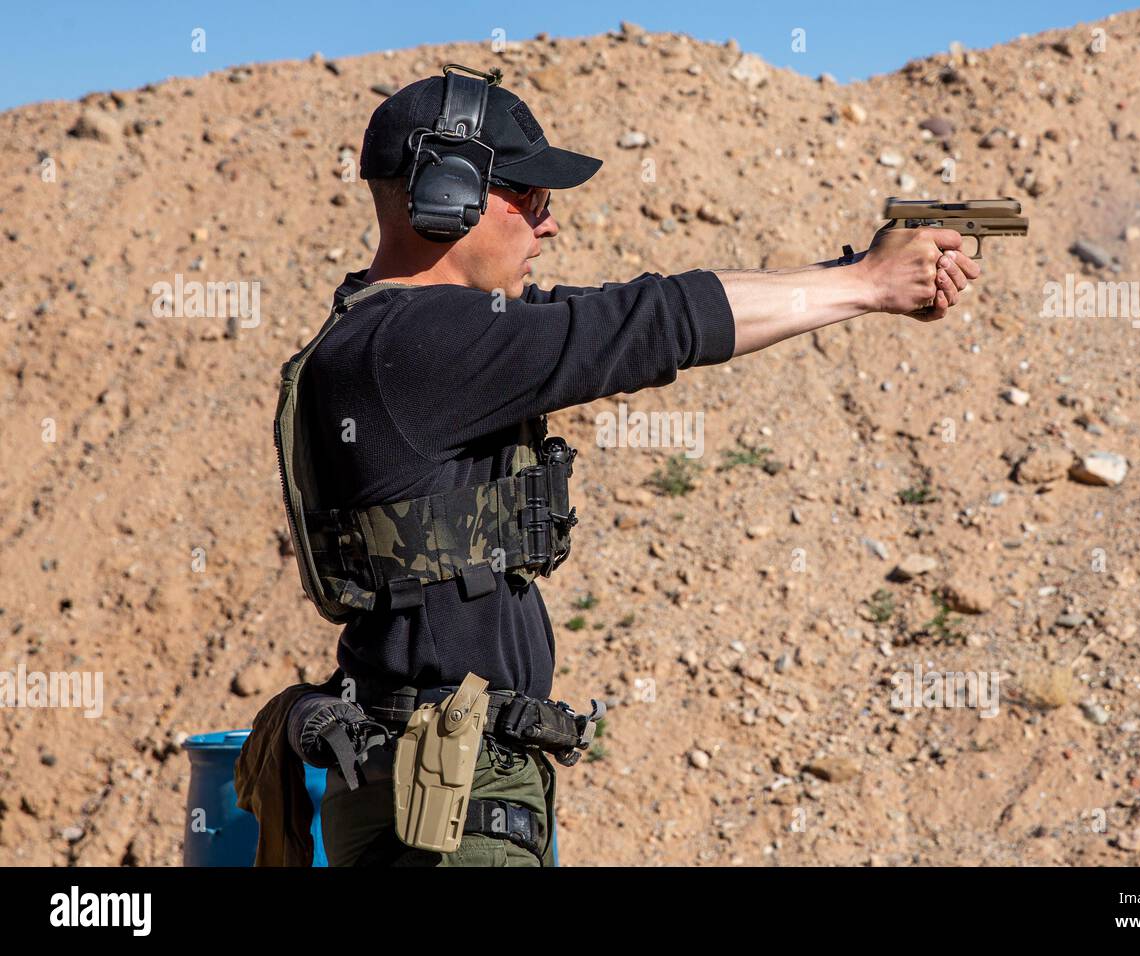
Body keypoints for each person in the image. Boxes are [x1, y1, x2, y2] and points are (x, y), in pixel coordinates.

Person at [297, 65, 979, 867]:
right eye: (531, 199)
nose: (548, 227)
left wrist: (855, 275)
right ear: (450, 195)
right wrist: (868, 286)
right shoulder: (415, 346)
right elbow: (653, 324)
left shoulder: (406, 333)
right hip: (442, 811)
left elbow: (641, 308)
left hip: (451, 789)